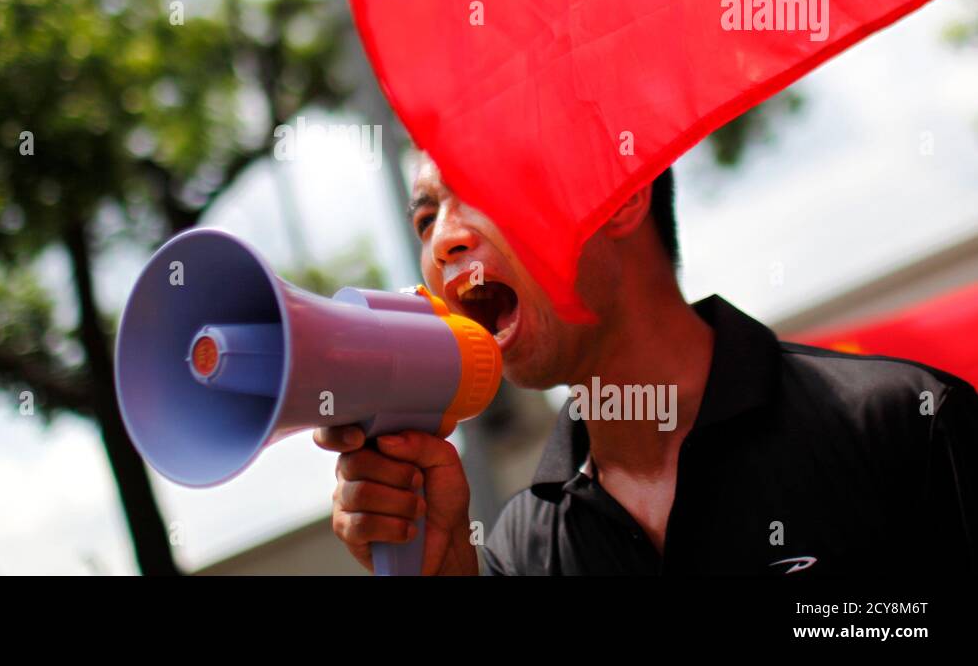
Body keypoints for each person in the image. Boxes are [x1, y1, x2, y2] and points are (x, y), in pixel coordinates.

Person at [315, 153, 978, 575]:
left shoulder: (902, 428)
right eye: (426, 217)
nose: (445, 239)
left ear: (623, 193)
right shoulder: (517, 553)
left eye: (481, 181)